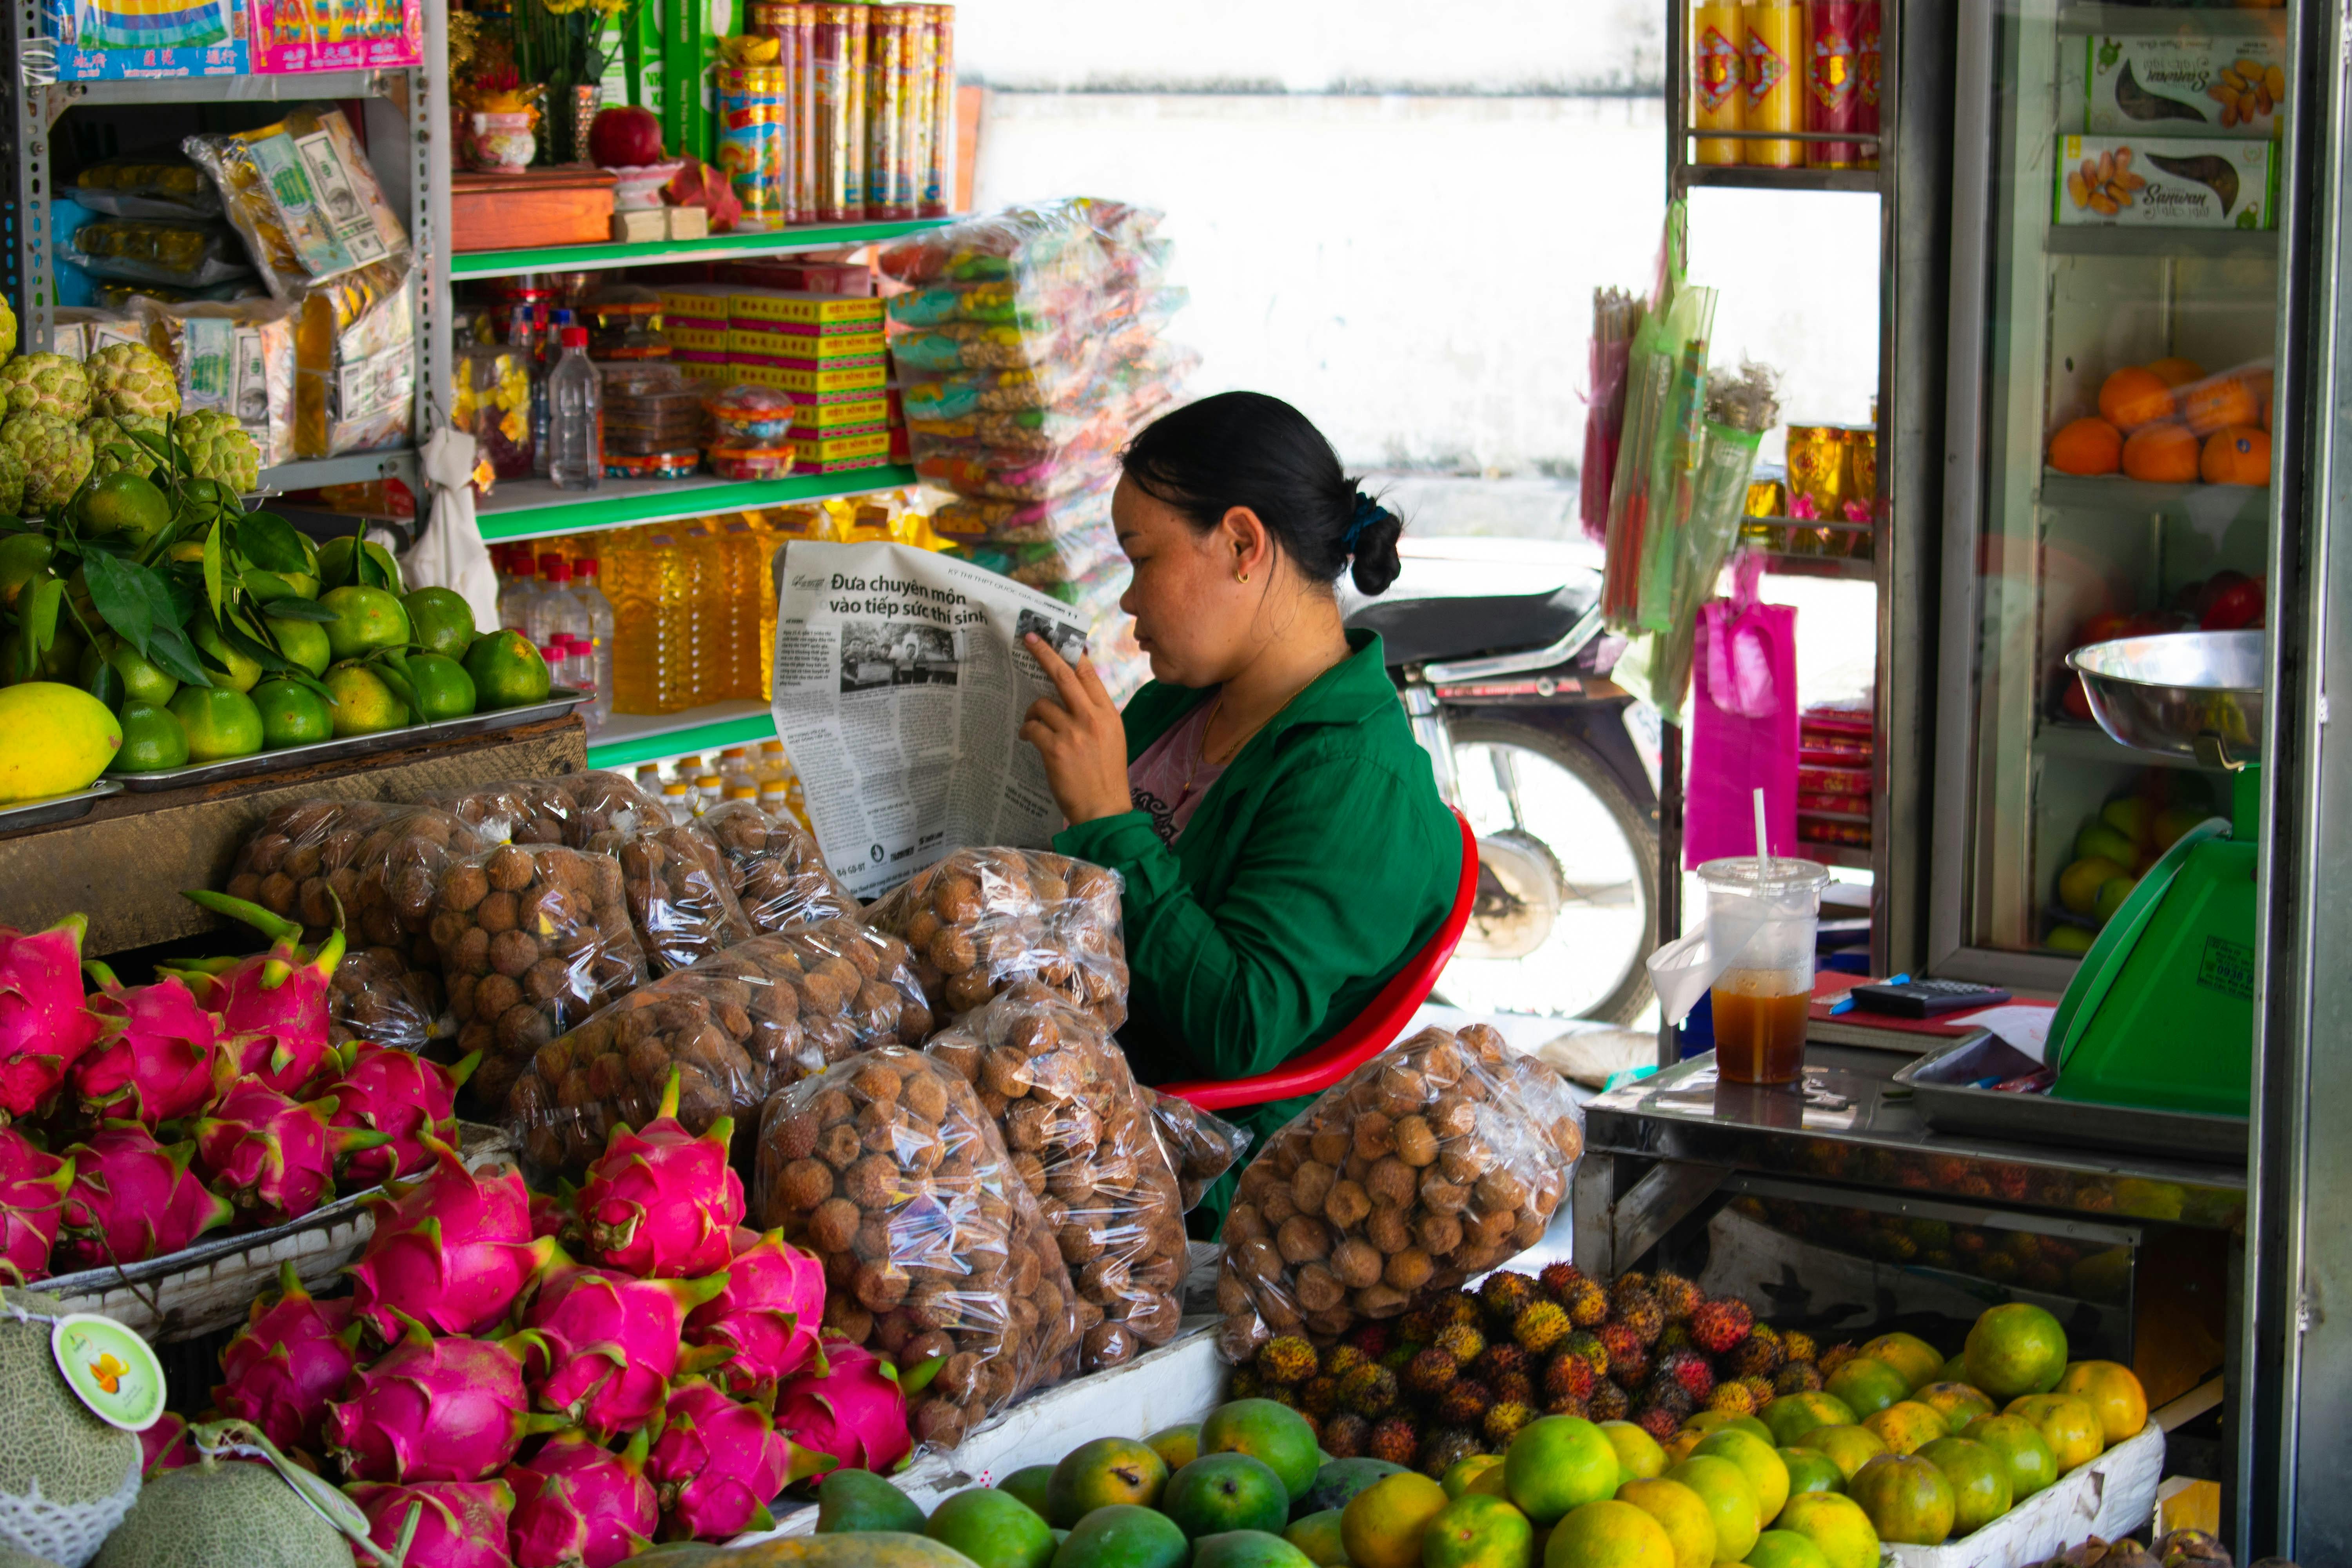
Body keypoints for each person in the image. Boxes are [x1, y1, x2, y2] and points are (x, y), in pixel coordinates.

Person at [1020, 391, 1461, 1224]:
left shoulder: (1357, 777)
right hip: (1066, 1081)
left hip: (1197, 1169)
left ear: (1242, 544)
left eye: (1142, 559)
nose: (1128, 601)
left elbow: (1239, 1025)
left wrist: (1111, 821)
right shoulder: (1177, 703)